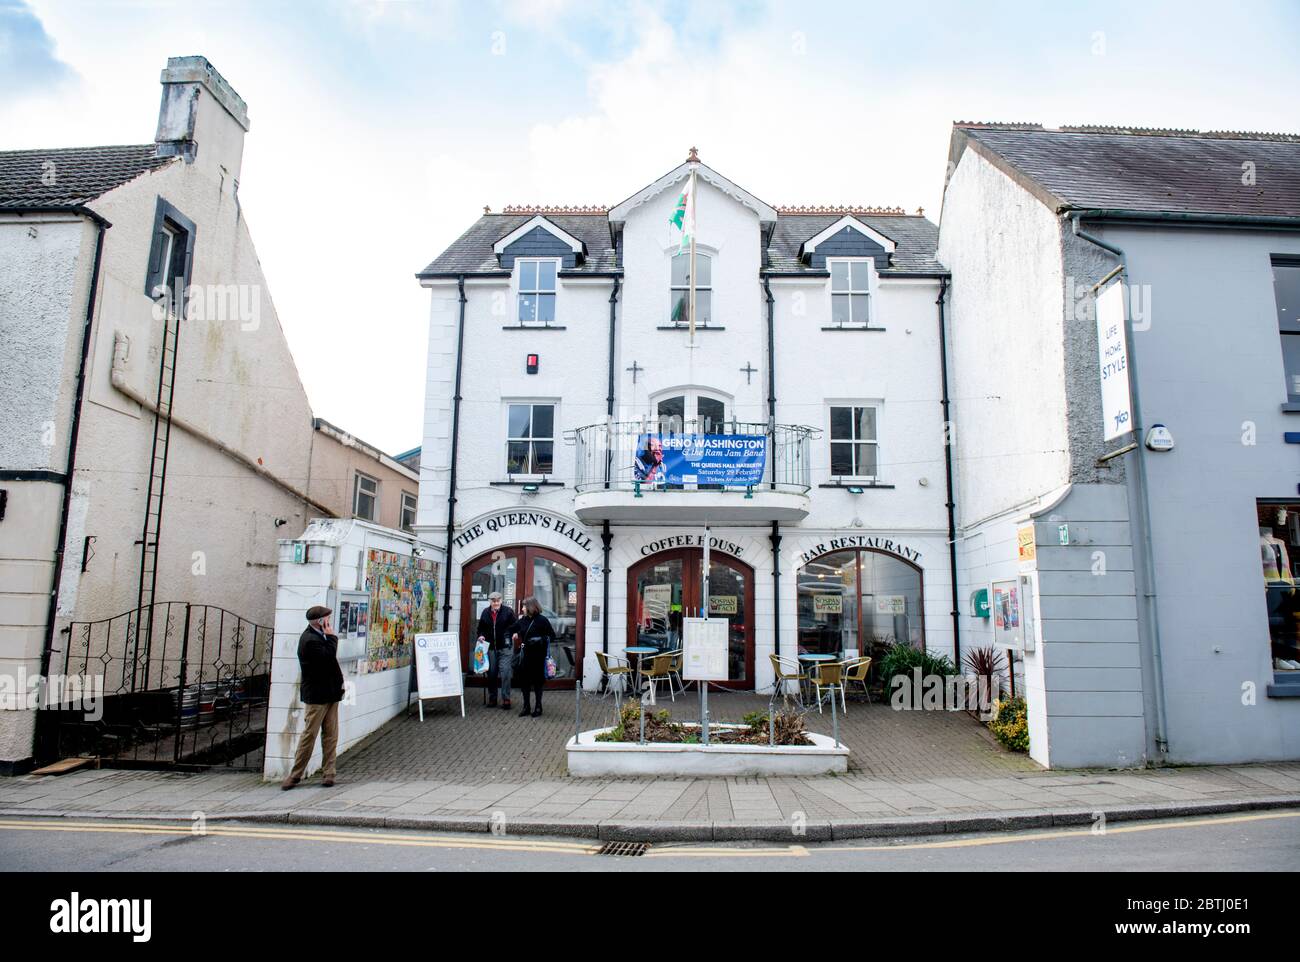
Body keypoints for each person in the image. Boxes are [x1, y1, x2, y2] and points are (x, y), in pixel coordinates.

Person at [282, 605, 345, 790]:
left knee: (331, 735)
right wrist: (332, 637)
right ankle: (295, 775)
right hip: (317, 696)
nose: (330, 621)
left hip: (331, 693)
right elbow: (327, 657)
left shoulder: (320, 636)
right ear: (320, 621)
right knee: (309, 734)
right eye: (327, 618)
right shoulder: (309, 640)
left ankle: (329, 773)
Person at [511, 597, 554, 717]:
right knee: (524, 682)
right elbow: (512, 629)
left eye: (524, 606)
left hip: (538, 656)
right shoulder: (523, 620)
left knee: (537, 683)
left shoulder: (542, 620)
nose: (522, 608)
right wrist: (515, 633)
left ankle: (538, 707)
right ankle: (526, 707)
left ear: (530, 607)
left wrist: (540, 639)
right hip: (525, 655)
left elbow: (552, 635)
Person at [475, 591, 517, 709]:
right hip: (491, 648)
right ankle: (492, 698)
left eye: (498, 600)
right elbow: (480, 629)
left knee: (505, 673)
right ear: (490, 602)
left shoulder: (508, 612)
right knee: (492, 673)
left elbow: (515, 626)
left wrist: (514, 633)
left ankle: (506, 699)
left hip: (505, 647)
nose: (496, 603)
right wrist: (481, 635)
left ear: (501, 601)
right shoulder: (485, 613)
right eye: (494, 601)